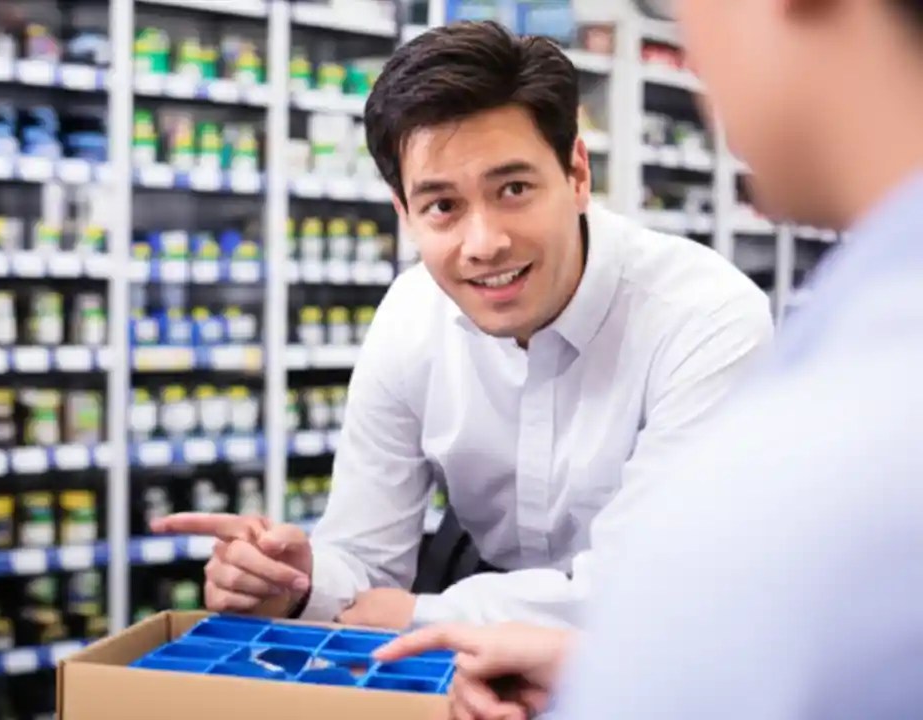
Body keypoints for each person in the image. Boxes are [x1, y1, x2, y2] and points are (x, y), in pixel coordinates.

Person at [377, 0, 923, 718]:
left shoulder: (833, 370)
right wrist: (588, 664)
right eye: (442, 205)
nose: (694, 59)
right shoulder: (866, 321)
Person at [152, 21, 773, 631]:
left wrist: (420, 615)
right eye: (443, 206)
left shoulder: (705, 318)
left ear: (577, 174)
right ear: (405, 214)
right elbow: (366, 561)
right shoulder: (410, 317)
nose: (485, 244)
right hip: (477, 609)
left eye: (514, 188)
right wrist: (297, 584)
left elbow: (651, 587)